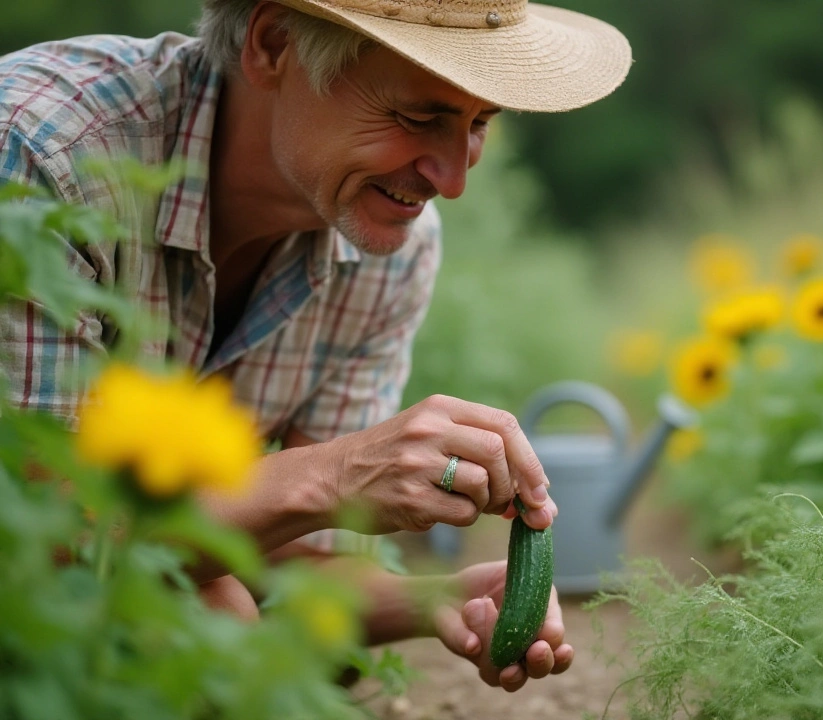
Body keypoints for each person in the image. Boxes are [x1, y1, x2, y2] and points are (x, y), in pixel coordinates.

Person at [0, 0, 631, 693]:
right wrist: (333, 475)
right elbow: (34, 546)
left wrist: (437, 598)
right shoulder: (41, 158)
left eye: (478, 124)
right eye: (419, 118)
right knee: (213, 614)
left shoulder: (390, 245)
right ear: (273, 45)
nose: (452, 180)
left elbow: (295, 559)